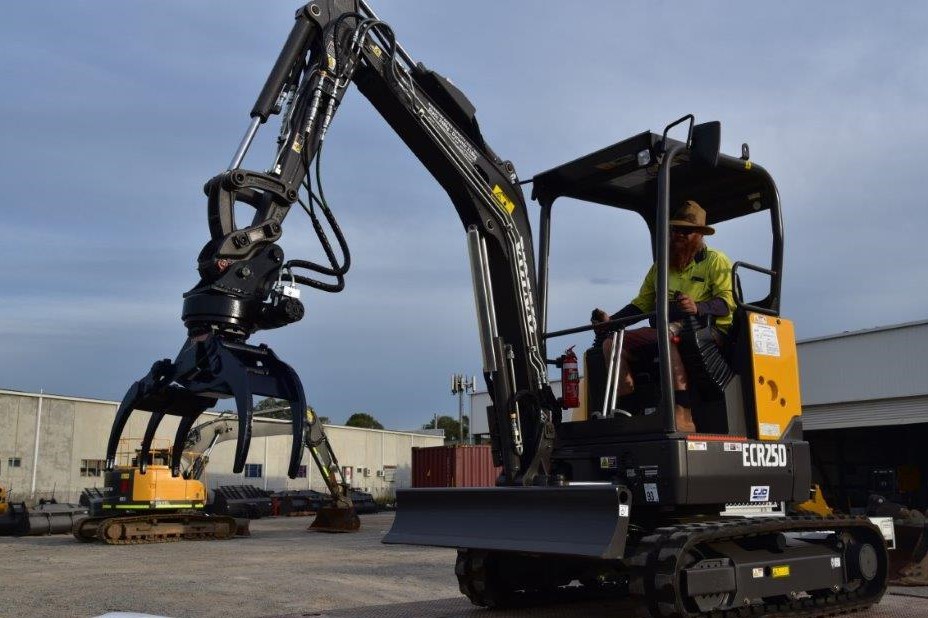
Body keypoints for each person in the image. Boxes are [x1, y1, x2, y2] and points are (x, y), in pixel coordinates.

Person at [592, 200, 735, 432]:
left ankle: (683, 412)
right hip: (667, 327)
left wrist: (697, 307)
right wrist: (612, 322)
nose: (678, 235)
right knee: (612, 343)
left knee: (668, 335)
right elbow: (641, 305)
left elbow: (726, 304)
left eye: (685, 231)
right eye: (674, 229)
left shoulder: (715, 261)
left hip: (709, 330)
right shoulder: (661, 267)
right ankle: (627, 408)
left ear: (699, 234)